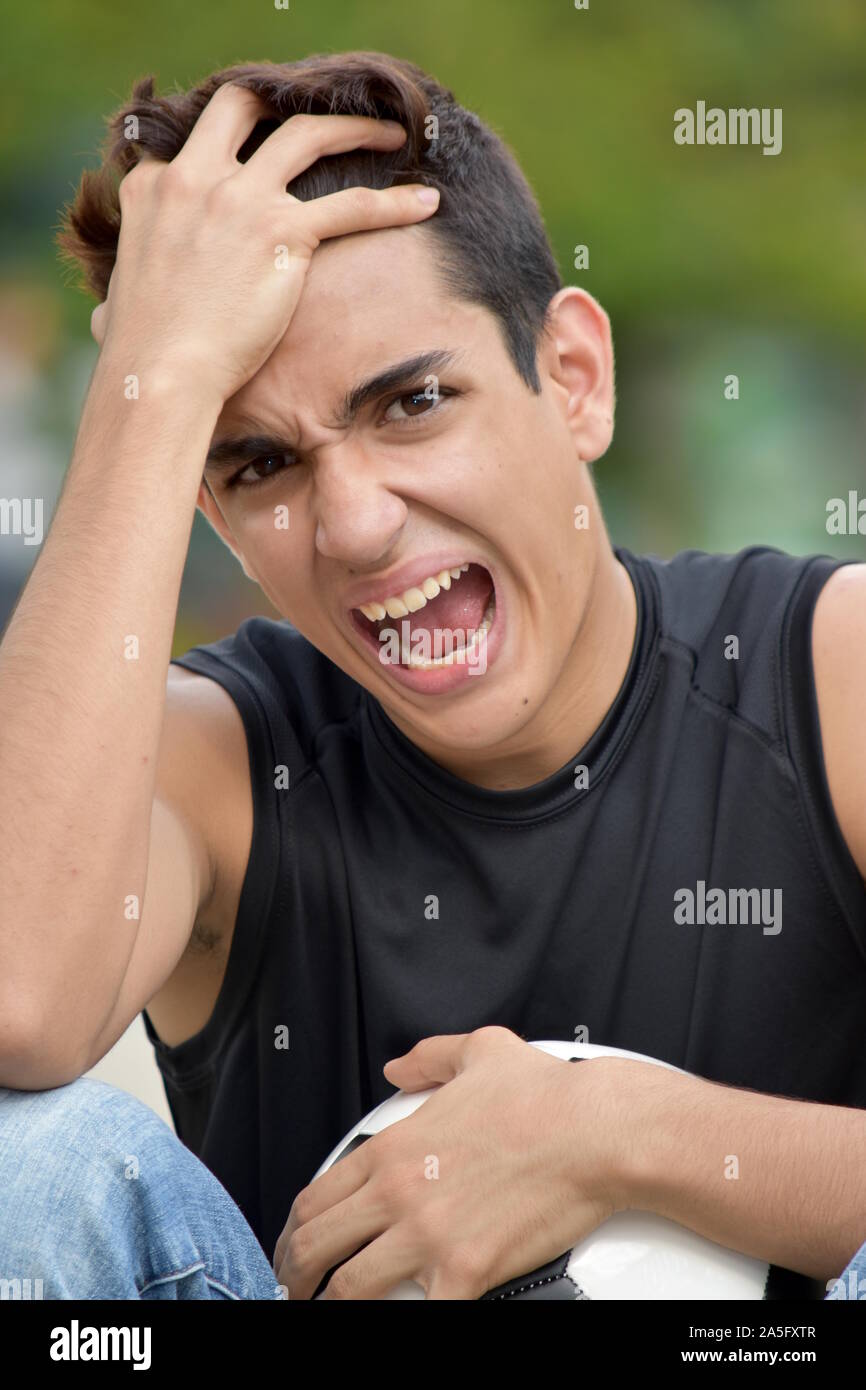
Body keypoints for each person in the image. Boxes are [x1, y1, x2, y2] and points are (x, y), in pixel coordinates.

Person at [1, 51, 864, 1301]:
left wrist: (614, 1137)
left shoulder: (822, 678)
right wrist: (154, 386)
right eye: (257, 466)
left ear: (571, 378)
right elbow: (19, 999)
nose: (351, 523)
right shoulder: (230, 761)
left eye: (410, 402)